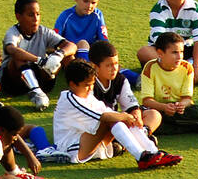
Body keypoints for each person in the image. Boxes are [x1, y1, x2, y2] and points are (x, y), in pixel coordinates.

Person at [47, 60, 180, 169]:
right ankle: (142, 157)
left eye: (92, 85)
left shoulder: (89, 96)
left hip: (90, 143)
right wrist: (126, 116)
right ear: (72, 84)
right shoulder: (68, 97)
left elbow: (108, 112)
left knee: (120, 117)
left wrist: (130, 118)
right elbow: (104, 117)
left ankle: (153, 152)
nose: (90, 89)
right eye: (87, 85)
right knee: (112, 119)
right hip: (71, 148)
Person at [139, 32, 198, 135]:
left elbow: (187, 99)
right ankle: (195, 126)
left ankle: (164, 127)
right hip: (157, 109)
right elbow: (147, 101)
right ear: (160, 53)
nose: (179, 57)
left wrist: (181, 105)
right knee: (146, 114)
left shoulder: (187, 68)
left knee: (197, 112)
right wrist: (164, 107)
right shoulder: (150, 67)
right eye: (174, 52)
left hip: (178, 111)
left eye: (181, 52)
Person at [2, 0, 75, 110]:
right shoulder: (12, 33)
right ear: (18, 16)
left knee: (67, 56)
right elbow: (12, 50)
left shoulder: (43, 31)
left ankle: (79, 93)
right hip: (14, 82)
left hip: (41, 78)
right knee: (18, 57)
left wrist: (58, 55)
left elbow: (72, 45)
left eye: (38, 14)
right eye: (31, 15)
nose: (36, 19)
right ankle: (36, 92)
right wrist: (39, 60)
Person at [89, 39, 161, 138]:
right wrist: (121, 117)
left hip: (117, 121)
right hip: (100, 124)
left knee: (154, 114)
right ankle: (131, 141)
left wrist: (136, 116)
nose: (114, 69)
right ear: (94, 66)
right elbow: (92, 115)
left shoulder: (120, 79)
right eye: (109, 65)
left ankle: (143, 134)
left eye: (116, 64)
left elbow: (131, 106)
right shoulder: (88, 83)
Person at [53, 0, 110, 65]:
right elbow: (55, 39)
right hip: (70, 52)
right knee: (76, 49)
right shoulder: (66, 16)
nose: (89, 6)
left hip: (90, 54)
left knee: (111, 61)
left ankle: (134, 77)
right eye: (85, 1)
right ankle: (86, 71)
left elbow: (104, 41)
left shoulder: (97, 15)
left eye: (93, 2)